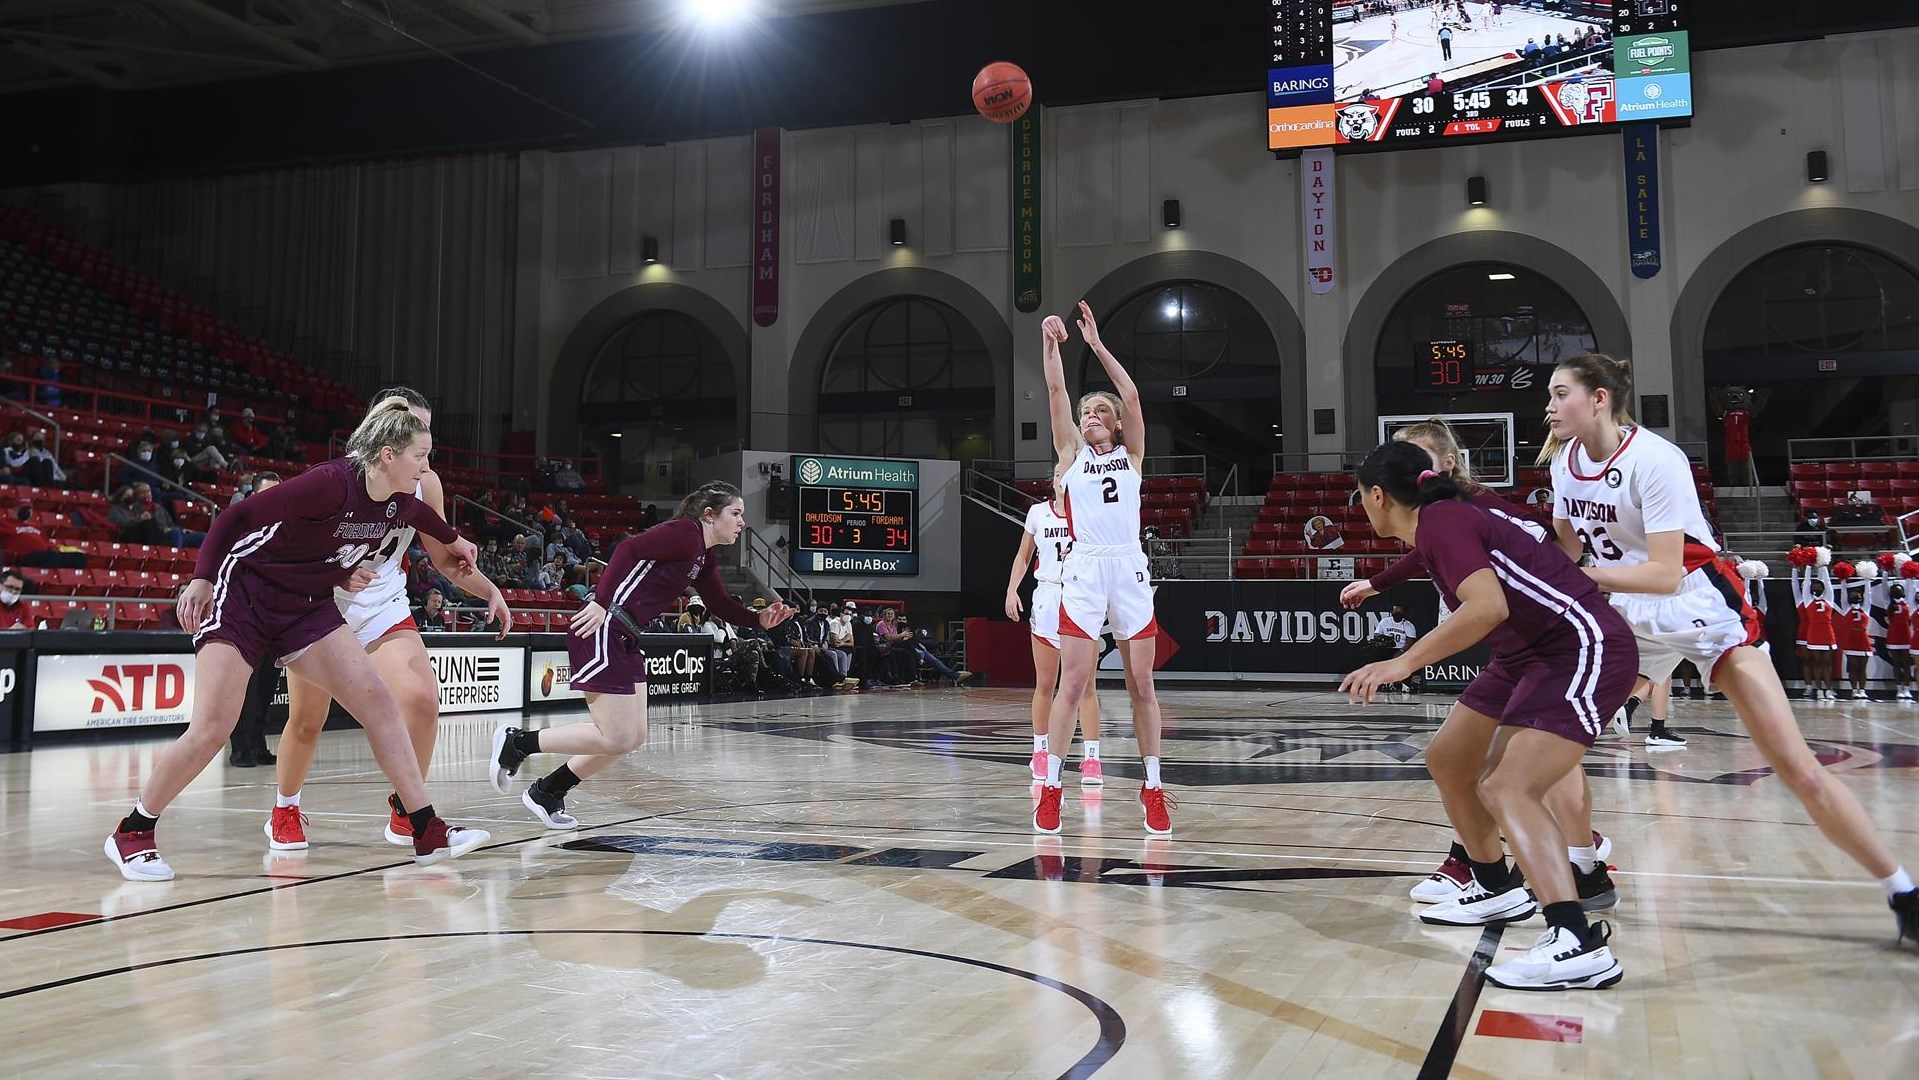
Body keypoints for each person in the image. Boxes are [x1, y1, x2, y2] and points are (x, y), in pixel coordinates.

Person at [1543, 352, 1919, 942]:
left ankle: (1904, 891)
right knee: (1547, 743)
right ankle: (1585, 867)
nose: (1548, 405)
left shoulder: (1655, 459)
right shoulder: (1565, 461)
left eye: (1559, 393)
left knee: (1797, 768)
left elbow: (1665, 573)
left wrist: (1582, 579)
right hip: (1625, 610)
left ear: (1598, 399)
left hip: (1697, 604)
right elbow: (1565, 551)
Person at [103, 396, 491, 881]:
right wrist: (202, 578)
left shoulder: (400, 502)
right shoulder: (329, 483)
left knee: (378, 701)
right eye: (421, 456)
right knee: (213, 727)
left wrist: (460, 548)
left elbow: (439, 531)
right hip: (244, 592)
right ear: (388, 455)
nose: (427, 467)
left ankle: (425, 829)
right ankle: (133, 832)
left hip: (303, 605)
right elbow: (236, 519)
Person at [1342, 440, 1636, 989]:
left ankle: (1574, 940)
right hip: (1524, 652)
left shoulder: (1444, 521)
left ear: (1378, 496)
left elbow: (1487, 607)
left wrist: (1402, 662)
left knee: (1509, 786)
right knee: (1449, 759)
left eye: (1361, 498)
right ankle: (1494, 885)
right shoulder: (1450, 516)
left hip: (1576, 645)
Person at [265, 388, 511, 853]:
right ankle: (285, 807)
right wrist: (334, 568)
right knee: (306, 721)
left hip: (383, 604)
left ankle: (407, 812)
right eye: (414, 436)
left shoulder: (426, 482)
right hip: (323, 604)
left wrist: (488, 590)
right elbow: (296, 539)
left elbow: (443, 554)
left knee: (421, 699)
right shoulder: (343, 477)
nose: (424, 452)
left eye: (427, 438)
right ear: (387, 436)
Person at [489, 482, 796, 829]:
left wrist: (758, 620)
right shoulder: (686, 532)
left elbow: (720, 604)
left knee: (632, 737)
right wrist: (601, 602)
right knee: (616, 735)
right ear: (709, 515)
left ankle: (549, 790)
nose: (742, 522)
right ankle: (518, 742)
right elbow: (627, 550)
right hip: (605, 625)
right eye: (736, 513)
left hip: (627, 634)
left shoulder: (703, 554)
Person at [1034, 302, 1172, 836]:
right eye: (1086, 410)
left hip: (1128, 567)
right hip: (1085, 569)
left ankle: (1153, 787)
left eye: (1098, 411)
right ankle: (1052, 788)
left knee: (1142, 682)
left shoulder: (1133, 454)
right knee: (1073, 682)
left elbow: (1133, 395)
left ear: (1113, 423)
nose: (1088, 415)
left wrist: (1095, 345)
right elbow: (1054, 394)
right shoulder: (1069, 454)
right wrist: (1051, 348)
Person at [1008, 495, 1105, 785]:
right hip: (1048, 594)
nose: (1062, 478)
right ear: (1053, 479)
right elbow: (1024, 555)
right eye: (1058, 473)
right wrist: (1012, 589)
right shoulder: (1038, 512)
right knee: (1045, 683)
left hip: (1080, 594)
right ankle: (1040, 750)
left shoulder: (1090, 510)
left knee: (1086, 686)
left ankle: (1091, 758)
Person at [228, 471, 286, 769]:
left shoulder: (284, 526)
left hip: (273, 618)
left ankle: (259, 743)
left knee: (266, 686)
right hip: (244, 617)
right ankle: (241, 749)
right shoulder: (239, 525)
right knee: (245, 688)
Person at [1792, 561, 1838, 700]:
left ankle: (1829, 689)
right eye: (1814, 586)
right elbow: (1805, 584)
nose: (1817, 587)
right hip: (1812, 634)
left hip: (1827, 634)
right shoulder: (1806, 600)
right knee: (1816, 663)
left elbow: (1828, 583)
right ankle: (1818, 690)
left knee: (1827, 663)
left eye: (1820, 586)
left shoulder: (1829, 600)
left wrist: (1823, 564)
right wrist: (1807, 565)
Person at [2, 498, 85, 569]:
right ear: (14, 510)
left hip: (46, 555)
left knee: (80, 558)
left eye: (28, 509)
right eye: (22, 508)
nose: (26, 511)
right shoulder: (6, 523)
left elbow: (47, 544)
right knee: (51, 557)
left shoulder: (36, 526)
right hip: (24, 557)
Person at [1834, 576, 1873, 700]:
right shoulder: (1846, 609)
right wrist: (1843, 580)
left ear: (1861, 598)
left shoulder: (1866, 609)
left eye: (1858, 596)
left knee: (1862, 667)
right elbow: (1843, 595)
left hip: (1863, 639)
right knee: (1853, 667)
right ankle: (1854, 690)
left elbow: (1869, 595)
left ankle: (1862, 690)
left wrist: (1867, 581)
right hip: (1851, 640)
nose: (1856, 597)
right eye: (1853, 595)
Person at [1882, 579, 1916, 703]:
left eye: (1899, 589)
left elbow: (1911, 589)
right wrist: (1885, 572)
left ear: (1903, 591)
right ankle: (1899, 689)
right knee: (1896, 663)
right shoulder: (1888, 604)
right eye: (1894, 589)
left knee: (1906, 663)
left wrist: (1909, 577)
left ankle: (1907, 689)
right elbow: (1883, 589)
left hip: (1906, 636)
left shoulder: (1908, 603)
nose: (1897, 590)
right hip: (1893, 637)